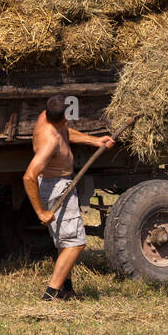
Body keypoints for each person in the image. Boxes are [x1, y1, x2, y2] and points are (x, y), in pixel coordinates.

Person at [24, 95, 115, 301]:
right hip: (56, 187)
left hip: (59, 184)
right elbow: (29, 175)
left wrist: (94, 140)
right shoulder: (50, 141)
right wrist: (41, 212)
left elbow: (65, 132)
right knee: (76, 242)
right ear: (63, 118)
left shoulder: (47, 119)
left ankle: (65, 289)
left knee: (65, 241)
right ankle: (51, 294)